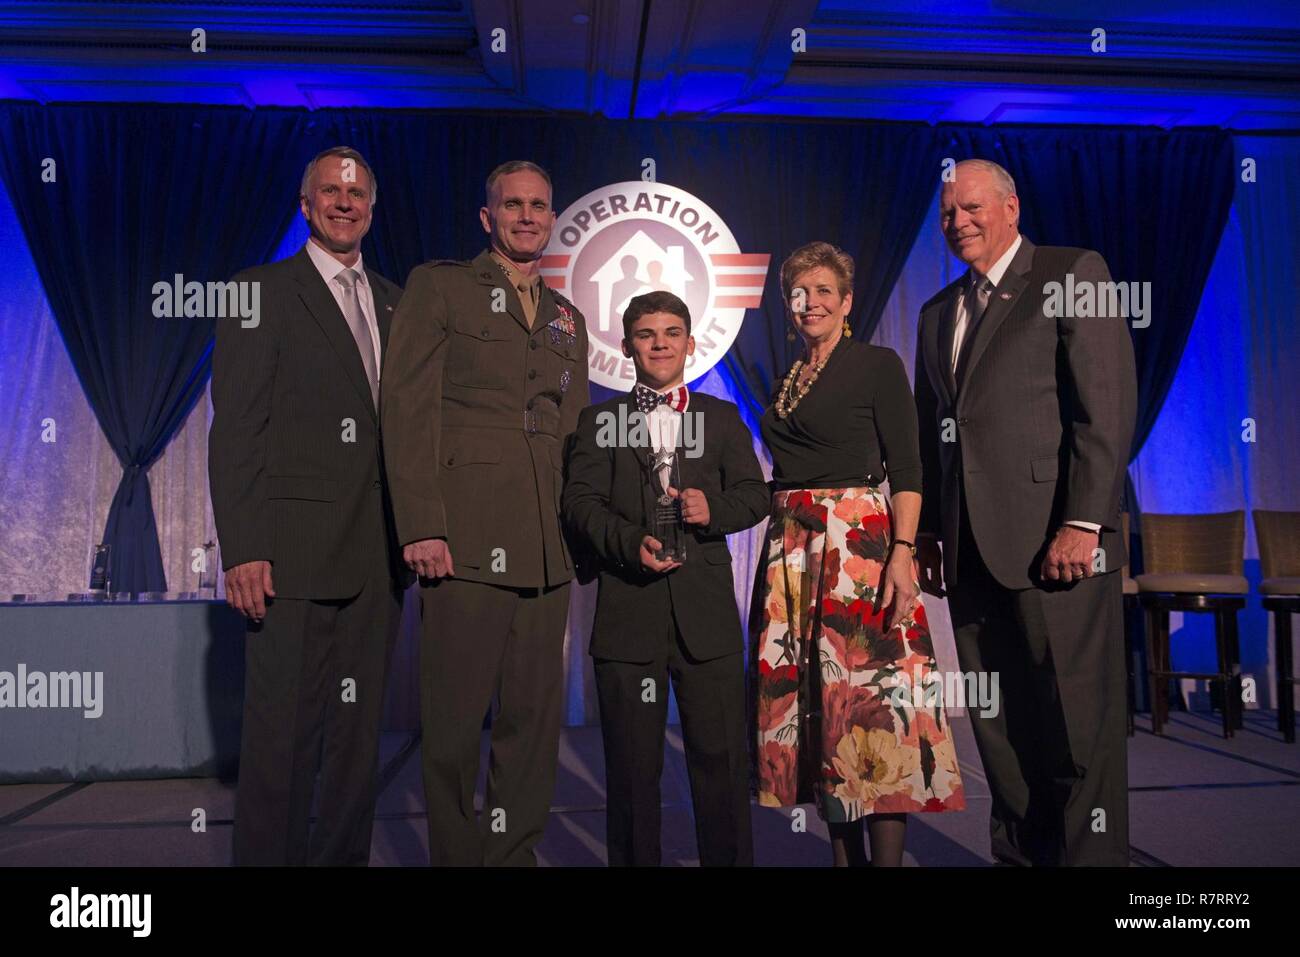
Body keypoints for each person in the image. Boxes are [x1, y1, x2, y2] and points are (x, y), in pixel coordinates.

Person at [913, 159, 1137, 866]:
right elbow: (932, 433)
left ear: (1011, 207)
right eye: (949, 214)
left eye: (972, 208)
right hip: (969, 553)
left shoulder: (1075, 271)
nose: (959, 223)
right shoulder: (935, 311)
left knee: (1075, 731)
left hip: (1058, 546)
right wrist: (924, 531)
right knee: (1000, 733)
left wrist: (1085, 521)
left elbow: (1105, 406)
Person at [381, 160, 590, 866]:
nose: (527, 216)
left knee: (531, 725)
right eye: (513, 205)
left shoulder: (568, 317)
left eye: (539, 204)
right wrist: (421, 523)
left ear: (552, 216)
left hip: (544, 547)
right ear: (487, 216)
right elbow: (406, 408)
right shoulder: (439, 286)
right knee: (451, 725)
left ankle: (513, 853)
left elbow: (574, 433)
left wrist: (583, 534)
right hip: (461, 540)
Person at [209, 146, 408, 865]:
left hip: (377, 564)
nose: (344, 202)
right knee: (280, 744)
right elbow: (236, 431)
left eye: (357, 193)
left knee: (357, 748)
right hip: (287, 561)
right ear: (305, 205)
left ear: (372, 208)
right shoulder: (259, 292)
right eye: (330, 191)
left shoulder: (395, 300)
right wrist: (243, 547)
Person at [752, 241, 965, 868]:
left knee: (870, 704)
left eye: (825, 292)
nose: (811, 303)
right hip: (792, 552)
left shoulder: (876, 364)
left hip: (857, 547)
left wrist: (903, 551)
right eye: (800, 293)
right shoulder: (788, 375)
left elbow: (908, 464)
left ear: (846, 303)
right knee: (821, 710)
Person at [563, 291, 769, 866]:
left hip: (707, 623)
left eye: (671, 332)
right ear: (627, 345)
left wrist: (714, 510)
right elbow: (579, 504)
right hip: (629, 618)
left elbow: (755, 496)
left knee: (723, 772)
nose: (660, 343)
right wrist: (631, 543)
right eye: (647, 333)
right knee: (631, 779)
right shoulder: (600, 422)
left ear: (690, 343)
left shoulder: (721, 418)